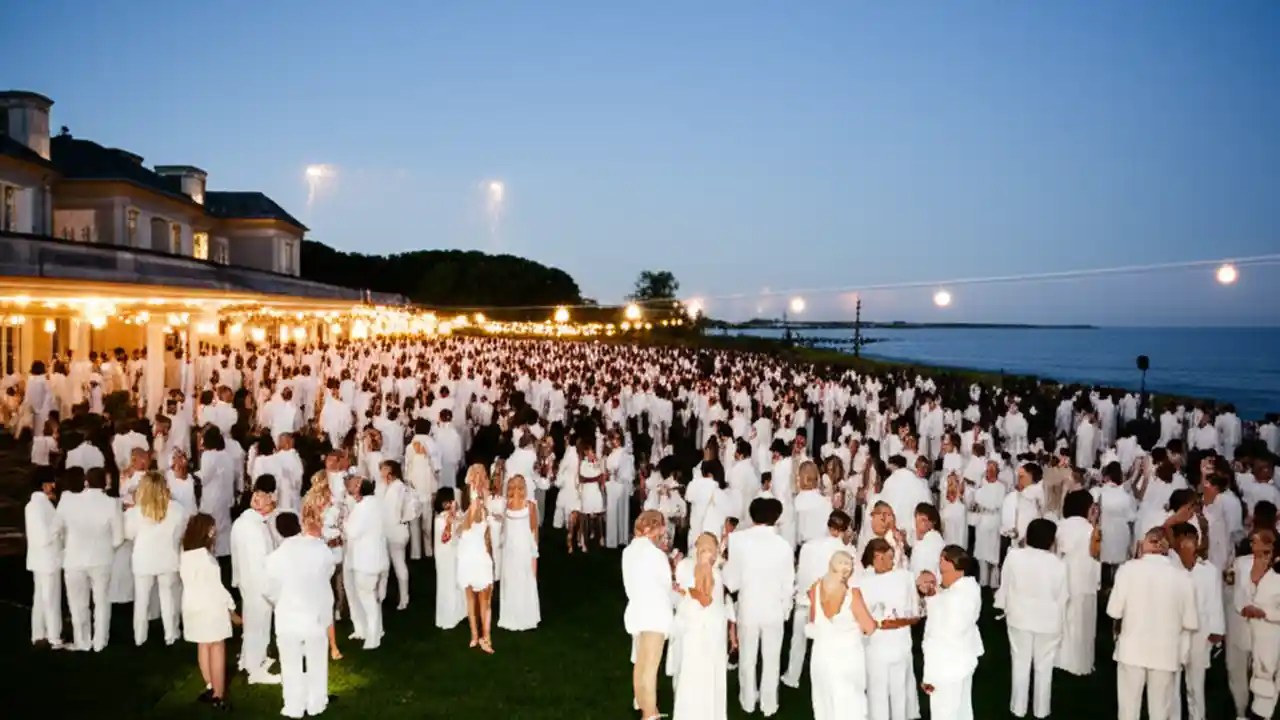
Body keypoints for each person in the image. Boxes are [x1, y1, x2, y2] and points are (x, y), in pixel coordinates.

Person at [1106, 527, 1199, 720]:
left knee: (1128, 711)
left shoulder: (1128, 569)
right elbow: (1190, 621)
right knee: (1160, 712)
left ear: (1145, 542)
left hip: (1131, 649)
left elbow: (1114, 610)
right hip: (1166, 653)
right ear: (1166, 547)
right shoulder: (1183, 577)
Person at [723, 497, 795, 717]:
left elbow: (731, 581)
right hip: (773, 609)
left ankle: (747, 700)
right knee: (772, 659)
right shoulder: (784, 546)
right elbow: (788, 583)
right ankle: (769, 704)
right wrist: (785, 610)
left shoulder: (738, 540)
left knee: (747, 658)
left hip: (748, 607)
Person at [265, 511, 337, 719]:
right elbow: (329, 569)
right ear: (299, 525)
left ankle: (293, 705)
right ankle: (317, 702)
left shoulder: (273, 559)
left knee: (290, 664)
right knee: (316, 660)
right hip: (314, 614)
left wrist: (282, 600)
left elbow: (268, 589)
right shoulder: (318, 548)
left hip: (288, 617)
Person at [995, 518, 1068, 719]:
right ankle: (1041, 710)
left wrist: (1003, 606)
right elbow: (1063, 596)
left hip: (1019, 617)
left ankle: (1018, 707)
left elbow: (1005, 585)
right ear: (1051, 540)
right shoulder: (1059, 564)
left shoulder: (1014, 557)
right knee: (1045, 665)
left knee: (1020, 661)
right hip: (1048, 620)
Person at [807, 550, 880, 720]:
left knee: (824, 703)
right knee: (850, 706)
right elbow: (869, 627)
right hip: (847, 658)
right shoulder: (852, 595)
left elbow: (813, 621)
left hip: (821, 656)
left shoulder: (815, 589)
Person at [783, 509, 851, 689]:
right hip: (828, 604)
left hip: (804, 599)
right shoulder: (846, 551)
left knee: (798, 641)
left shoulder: (809, 546)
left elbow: (801, 573)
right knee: (828, 643)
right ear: (841, 530)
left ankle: (792, 676)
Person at [58, 466, 122, 652]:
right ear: (105, 484)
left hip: (74, 559)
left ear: (86, 482)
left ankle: (82, 641)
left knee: (78, 604)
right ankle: (100, 642)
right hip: (102, 559)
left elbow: (58, 529)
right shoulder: (112, 504)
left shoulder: (69, 501)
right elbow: (118, 538)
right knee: (102, 602)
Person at [180, 513, 239, 710]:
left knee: (203, 645)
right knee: (217, 647)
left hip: (192, 606)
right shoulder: (206, 559)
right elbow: (217, 588)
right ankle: (219, 695)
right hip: (210, 607)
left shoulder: (185, 555)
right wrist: (232, 609)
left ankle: (210, 686)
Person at [858, 538, 921, 720]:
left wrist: (896, 623)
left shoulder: (905, 577)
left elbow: (915, 614)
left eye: (889, 557)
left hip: (899, 644)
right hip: (874, 646)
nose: (886, 562)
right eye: (880, 557)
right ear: (871, 559)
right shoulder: (862, 582)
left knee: (899, 691)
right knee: (877, 692)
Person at [623, 510, 676, 720]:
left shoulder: (628, 551)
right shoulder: (656, 555)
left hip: (637, 611)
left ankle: (644, 706)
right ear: (657, 528)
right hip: (655, 613)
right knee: (650, 668)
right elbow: (666, 585)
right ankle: (649, 714)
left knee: (640, 664)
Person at [920, 544, 984, 720]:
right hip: (965, 661)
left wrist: (928, 676)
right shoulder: (972, 588)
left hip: (945, 670)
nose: (942, 578)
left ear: (956, 569)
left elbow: (934, 641)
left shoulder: (948, 602)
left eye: (944, 573)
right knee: (963, 711)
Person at [124, 470, 187, 646]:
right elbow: (182, 532)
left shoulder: (135, 513)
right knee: (169, 599)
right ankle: (171, 635)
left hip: (143, 560)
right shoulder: (177, 510)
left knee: (142, 600)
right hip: (169, 558)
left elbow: (128, 534)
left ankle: (140, 637)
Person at [1168, 523, 1224, 720]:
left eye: (1191, 542)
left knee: (1196, 683)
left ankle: (1197, 717)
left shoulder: (1209, 570)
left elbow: (1215, 601)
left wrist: (1217, 630)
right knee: (1172, 682)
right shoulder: (1169, 569)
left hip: (1200, 633)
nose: (1188, 547)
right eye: (1183, 543)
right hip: (1175, 632)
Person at [230, 475, 281, 683]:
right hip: (258, 585)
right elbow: (261, 561)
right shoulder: (253, 527)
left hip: (248, 582)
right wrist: (270, 587)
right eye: (261, 497)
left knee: (253, 622)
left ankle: (247, 659)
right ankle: (255, 668)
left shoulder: (245, 522)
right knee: (258, 624)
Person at [671, 532, 728, 720]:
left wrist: (688, 591)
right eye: (700, 548)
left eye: (707, 549)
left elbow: (704, 599)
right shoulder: (698, 568)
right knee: (695, 670)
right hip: (698, 627)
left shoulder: (711, 572)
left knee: (700, 670)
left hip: (704, 629)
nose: (703, 552)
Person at [1226, 528, 1274, 720]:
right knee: (1236, 669)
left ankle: (1262, 712)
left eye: (1262, 543)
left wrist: (1265, 613)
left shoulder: (1276, 570)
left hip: (1267, 630)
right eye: (1253, 542)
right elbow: (1236, 590)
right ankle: (1240, 711)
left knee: (1263, 674)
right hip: (1241, 625)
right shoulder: (1241, 563)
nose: (1256, 547)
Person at [1055, 489, 1102, 676]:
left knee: (1065, 617)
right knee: (1083, 620)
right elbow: (1096, 554)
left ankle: (1061, 659)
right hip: (1085, 577)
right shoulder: (1091, 529)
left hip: (1064, 575)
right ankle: (1081, 662)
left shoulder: (1060, 525)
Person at [345, 473, 388, 650]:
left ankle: (373, 637)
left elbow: (353, 532)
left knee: (367, 598)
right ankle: (377, 630)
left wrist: (345, 522)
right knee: (372, 598)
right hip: (378, 557)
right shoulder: (376, 503)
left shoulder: (362, 508)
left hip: (365, 561)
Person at [25, 467, 63, 648]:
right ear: (44, 485)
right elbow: (44, 536)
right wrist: (58, 525)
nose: (54, 485)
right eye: (51, 482)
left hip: (39, 559)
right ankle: (53, 637)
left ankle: (38, 634)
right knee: (50, 599)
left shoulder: (34, 505)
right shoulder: (40, 507)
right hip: (48, 558)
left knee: (40, 598)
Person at [498, 474, 541, 631]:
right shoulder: (506, 505)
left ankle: (525, 616)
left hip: (524, 548)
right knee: (511, 580)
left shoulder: (530, 506)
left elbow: (534, 529)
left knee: (524, 578)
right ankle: (511, 615)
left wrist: (534, 550)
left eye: (517, 487)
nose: (514, 490)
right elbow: (505, 527)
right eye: (511, 487)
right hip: (510, 549)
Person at [457, 499, 495, 653]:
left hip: (481, 563)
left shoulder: (485, 520)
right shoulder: (464, 525)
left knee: (485, 603)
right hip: (468, 565)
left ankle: (486, 637)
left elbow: (488, 543)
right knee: (471, 601)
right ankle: (474, 635)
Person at [376, 460, 413, 611]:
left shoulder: (400, 487)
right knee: (383, 566)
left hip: (396, 530)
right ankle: (381, 595)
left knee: (399, 564)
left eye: (385, 468)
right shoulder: (382, 486)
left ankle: (404, 597)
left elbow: (398, 509)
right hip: (383, 530)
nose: (381, 471)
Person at [433, 487, 467, 630]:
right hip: (446, 556)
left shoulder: (455, 515)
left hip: (455, 554)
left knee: (458, 582)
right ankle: (448, 615)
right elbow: (446, 538)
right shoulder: (441, 519)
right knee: (448, 583)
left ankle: (460, 610)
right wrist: (451, 522)